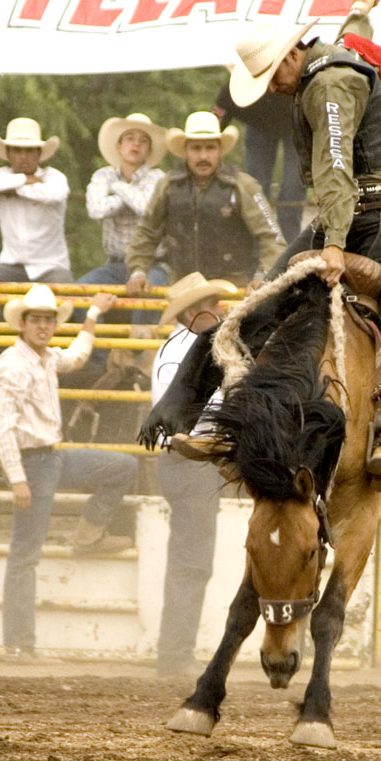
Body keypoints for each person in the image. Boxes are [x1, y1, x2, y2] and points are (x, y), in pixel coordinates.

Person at [158, 0, 381, 490]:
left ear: (288, 58)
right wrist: (361, 8)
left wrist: (330, 246)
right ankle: (216, 420)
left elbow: (334, 168)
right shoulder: (329, 62)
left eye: (270, 79)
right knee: (258, 308)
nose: (273, 91)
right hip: (343, 215)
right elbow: (350, 39)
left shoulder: (327, 84)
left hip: (379, 216)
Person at [0, 284, 137, 662]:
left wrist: (92, 316)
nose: (42, 325)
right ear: (23, 324)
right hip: (33, 464)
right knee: (26, 553)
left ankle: (87, 533)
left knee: (123, 467)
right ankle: (18, 645)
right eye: (36, 319)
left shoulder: (44, 357)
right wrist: (17, 478)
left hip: (51, 458)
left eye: (48, 319)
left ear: (54, 323)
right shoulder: (13, 366)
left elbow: (77, 358)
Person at [151, 273, 236, 678]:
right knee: (192, 562)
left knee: (190, 560)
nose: (220, 309)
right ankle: (174, 655)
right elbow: (185, 418)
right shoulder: (187, 354)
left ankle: (175, 652)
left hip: (187, 464)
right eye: (213, 303)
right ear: (192, 311)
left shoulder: (184, 350)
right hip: (189, 461)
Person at [124, 111, 285, 295]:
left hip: (233, 286)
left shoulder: (243, 185)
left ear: (219, 150)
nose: (203, 156)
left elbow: (272, 237)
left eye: (210, 148)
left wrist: (263, 275)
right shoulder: (167, 186)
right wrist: (138, 271)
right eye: (196, 148)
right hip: (182, 285)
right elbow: (146, 232)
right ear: (186, 151)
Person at [80, 112, 168, 322]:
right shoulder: (102, 175)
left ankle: (143, 353)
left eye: (143, 141)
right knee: (78, 293)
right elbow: (96, 209)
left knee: (148, 301)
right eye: (129, 138)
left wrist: (118, 187)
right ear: (119, 146)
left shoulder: (158, 178)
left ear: (149, 150)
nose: (135, 144)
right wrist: (130, 194)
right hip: (114, 264)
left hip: (152, 265)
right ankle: (97, 353)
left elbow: (147, 209)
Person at [0, 118, 71, 324]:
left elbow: (56, 193)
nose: (23, 156)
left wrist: (15, 187)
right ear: (8, 154)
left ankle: (63, 352)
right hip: (10, 265)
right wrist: (24, 180)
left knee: (67, 296)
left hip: (51, 266)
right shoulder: (0, 176)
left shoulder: (54, 177)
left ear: (39, 154)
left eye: (30, 150)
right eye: (17, 150)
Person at [212, 86, 307, 244]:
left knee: (293, 186)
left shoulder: (296, 80)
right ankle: (258, 248)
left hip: (296, 120)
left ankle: (290, 247)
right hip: (258, 125)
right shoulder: (231, 91)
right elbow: (213, 127)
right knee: (255, 187)